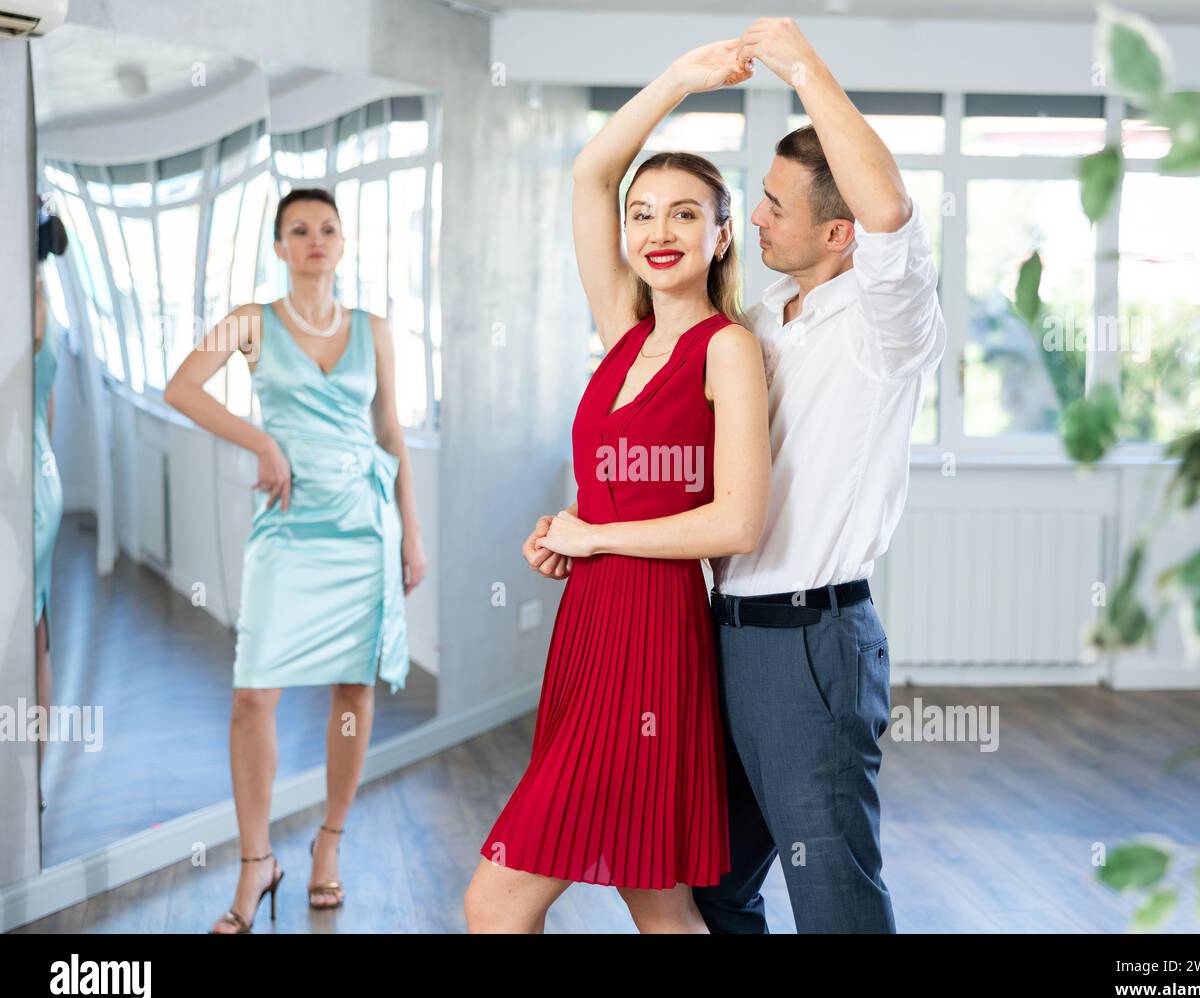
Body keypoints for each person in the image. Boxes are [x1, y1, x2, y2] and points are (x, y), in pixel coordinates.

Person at [463, 40, 771, 934]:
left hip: (656, 633)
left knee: (496, 898)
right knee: (660, 901)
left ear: (721, 236)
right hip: (590, 623)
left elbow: (737, 522)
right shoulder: (622, 330)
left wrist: (595, 535)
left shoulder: (728, 348)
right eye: (643, 215)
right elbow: (590, 173)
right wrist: (680, 79)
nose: (658, 232)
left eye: (685, 214)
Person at [691, 18, 946, 934]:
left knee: (833, 896)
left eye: (774, 204)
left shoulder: (887, 321)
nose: (754, 218)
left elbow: (891, 213)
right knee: (709, 885)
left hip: (810, 644)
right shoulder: (760, 320)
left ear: (838, 232)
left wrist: (801, 65)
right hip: (724, 635)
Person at [163, 187, 426, 933]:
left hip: (362, 526)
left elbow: (391, 434)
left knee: (353, 689)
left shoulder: (374, 329)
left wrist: (409, 532)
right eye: (299, 230)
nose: (315, 239)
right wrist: (261, 441)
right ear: (279, 247)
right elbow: (181, 388)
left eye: (328, 229)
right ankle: (256, 862)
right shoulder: (252, 322)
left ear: (342, 244)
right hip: (287, 527)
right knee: (253, 694)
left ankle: (328, 844)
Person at [34, 204, 69, 815]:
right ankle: (29, 787)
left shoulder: (18, 303)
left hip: (21, 490)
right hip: (42, 480)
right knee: (35, 636)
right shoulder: (44, 298)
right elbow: (49, 408)